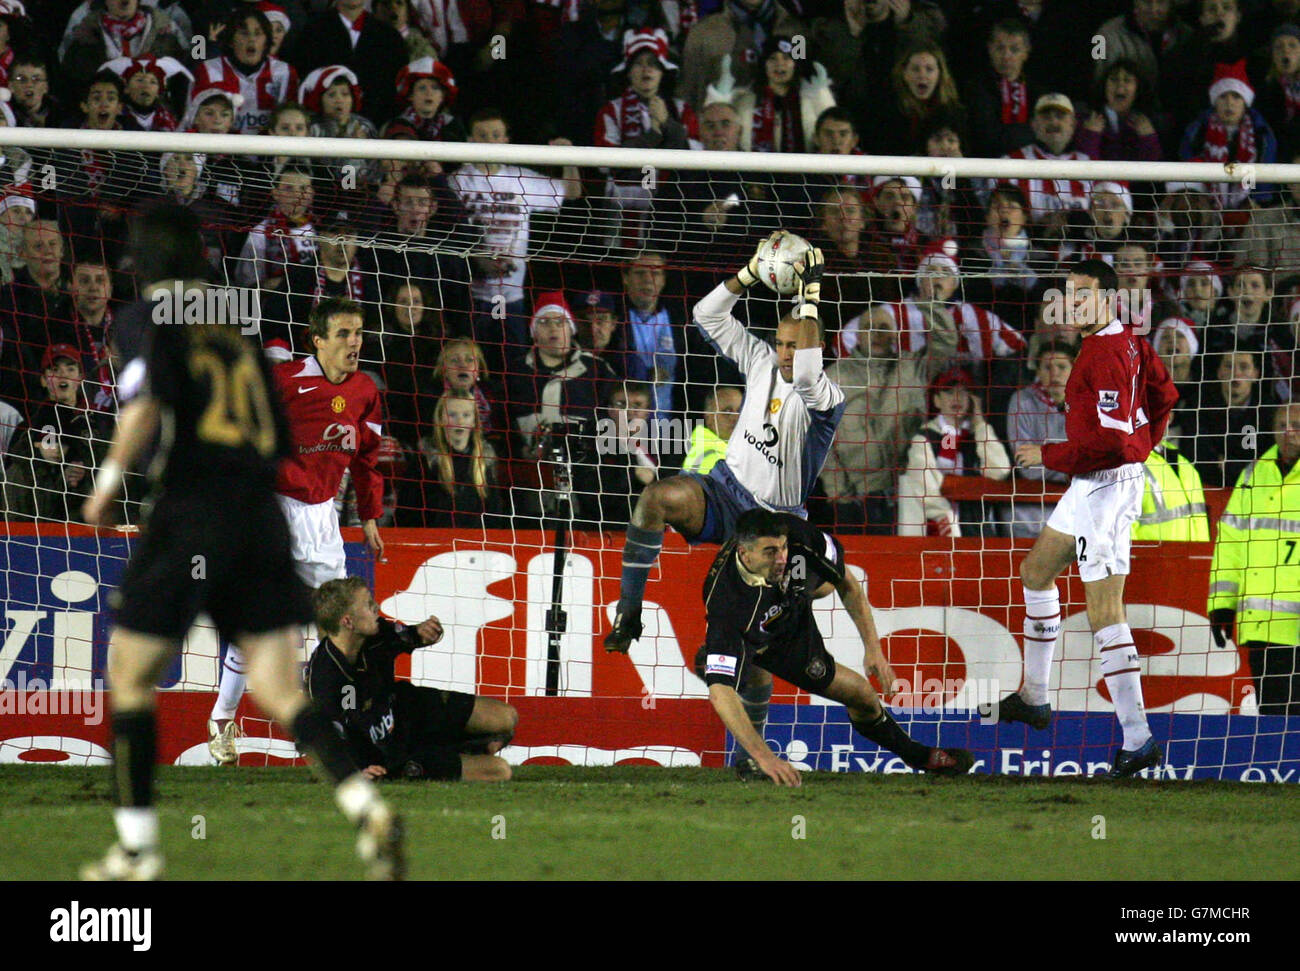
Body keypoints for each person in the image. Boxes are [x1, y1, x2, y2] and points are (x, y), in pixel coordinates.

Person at [79, 203, 401, 881]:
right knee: (281, 688)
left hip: (195, 506)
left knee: (131, 673)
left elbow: (141, 408)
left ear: (141, 264)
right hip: (261, 517)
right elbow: (274, 437)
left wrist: (106, 484)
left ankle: (137, 851)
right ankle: (368, 811)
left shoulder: (142, 321)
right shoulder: (239, 339)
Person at [605, 234, 845, 665]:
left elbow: (807, 376)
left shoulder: (827, 399)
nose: (786, 353)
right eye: (782, 343)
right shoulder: (761, 361)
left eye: (796, 345)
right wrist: (750, 273)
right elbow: (706, 315)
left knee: (759, 647)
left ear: (817, 348)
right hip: (723, 491)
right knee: (656, 497)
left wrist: (811, 294)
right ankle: (629, 609)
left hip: (776, 521)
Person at [999, 258, 1179, 778]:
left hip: (1106, 488)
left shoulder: (1105, 355)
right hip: (1094, 483)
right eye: (1069, 296)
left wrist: (1047, 455)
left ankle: (1139, 738)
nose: (1073, 305)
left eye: (1083, 295)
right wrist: (1145, 443)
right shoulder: (1130, 342)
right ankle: (1034, 695)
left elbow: (1112, 443)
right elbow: (1165, 396)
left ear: (1109, 299)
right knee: (1036, 573)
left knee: (1104, 608)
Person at [207, 296, 386, 766]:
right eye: (343, 334)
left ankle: (341, 732)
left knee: (345, 624)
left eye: (359, 333)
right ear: (319, 340)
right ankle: (222, 722)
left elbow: (367, 459)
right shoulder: (284, 381)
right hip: (273, 512)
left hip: (324, 516)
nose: (354, 342)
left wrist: (368, 517)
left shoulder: (366, 389)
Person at [696, 507, 973, 786]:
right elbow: (720, 693)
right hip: (762, 637)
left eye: (782, 548)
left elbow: (847, 582)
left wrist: (873, 649)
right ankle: (749, 754)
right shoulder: (726, 604)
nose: (781, 558)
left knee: (863, 695)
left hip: (792, 613)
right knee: (742, 671)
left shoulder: (799, 539)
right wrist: (766, 756)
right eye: (770, 552)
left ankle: (918, 756)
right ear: (745, 554)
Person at [306, 576, 516, 781]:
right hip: (385, 754)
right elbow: (323, 736)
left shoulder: (375, 633)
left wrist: (424, 632)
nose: (376, 607)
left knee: (507, 718)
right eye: (368, 605)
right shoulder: (326, 675)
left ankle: (459, 749)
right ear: (348, 622)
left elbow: (409, 636)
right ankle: (412, 767)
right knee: (500, 770)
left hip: (406, 712)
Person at [822, 301, 958, 535]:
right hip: (858, 499)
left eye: (884, 327)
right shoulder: (833, 377)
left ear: (895, 335)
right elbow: (820, 439)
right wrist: (839, 495)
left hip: (911, 490)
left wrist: (930, 304)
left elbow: (946, 341)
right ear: (858, 335)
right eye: (869, 327)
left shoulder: (913, 367)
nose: (876, 333)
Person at [1209, 402, 1300, 715]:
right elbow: (1230, 541)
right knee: (1274, 721)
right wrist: (1222, 603)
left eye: (1297, 424)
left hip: (1295, 626)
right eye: (1282, 424)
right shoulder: (1253, 475)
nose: (1289, 432)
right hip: (1262, 627)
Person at [897, 367, 1011, 538]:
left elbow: (1000, 471)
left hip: (976, 526)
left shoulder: (978, 436)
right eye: (949, 392)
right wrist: (948, 520)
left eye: (963, 392)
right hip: (934, 529)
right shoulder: (925, 438)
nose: (957, 398)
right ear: (936, 400)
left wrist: (980, 424)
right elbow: (926, 489)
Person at [1005, 339, 1074, 539]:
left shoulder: (1090, 403)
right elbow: (1029, 469)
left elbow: (1093, 462)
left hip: (1079, 508)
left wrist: (1044, 457)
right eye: (1046, 367)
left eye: (1061, 367)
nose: (1054, 374)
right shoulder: (1022, 401)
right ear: (1038, 372)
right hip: (1031, 512)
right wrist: (1072, 465)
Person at [1132, 436, 1210, 541]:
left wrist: (1201, 553)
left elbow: (1200, 520)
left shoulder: (1184, 463)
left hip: (1189, 553)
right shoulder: (1133, 464)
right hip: (1150, 555)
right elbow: (1122, 523)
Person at [682, 385, 743, 475]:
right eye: (727, 411)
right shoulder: (709, 458)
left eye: (740, 411)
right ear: (709, 418)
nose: (736, 417)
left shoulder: (732, 452)